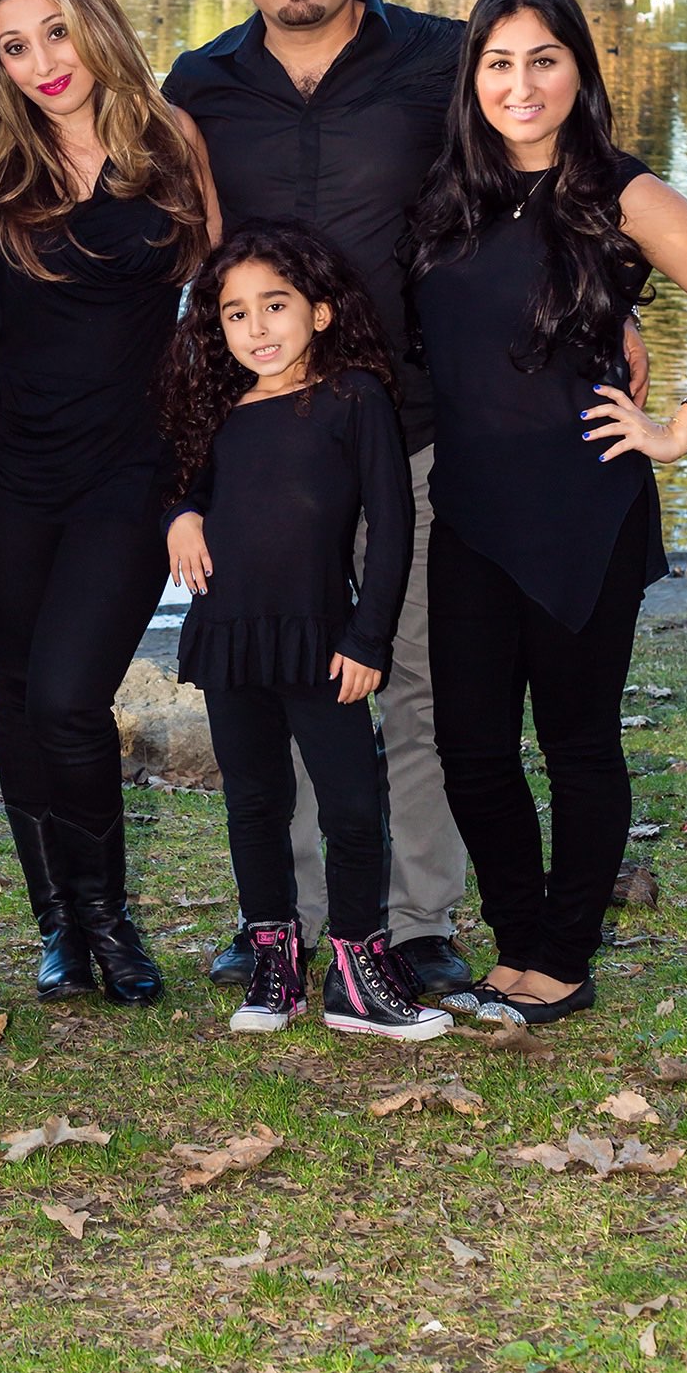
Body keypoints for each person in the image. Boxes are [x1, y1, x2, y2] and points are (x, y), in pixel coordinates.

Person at [164, 0, 649, 995]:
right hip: (267, 450)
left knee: (421, 678)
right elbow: (181, 262)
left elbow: (547, 175)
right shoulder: (201, 85)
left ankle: (415, 919)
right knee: (286, 677)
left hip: (423, 429)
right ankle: (281, 917)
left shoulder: (443, 62)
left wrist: (611, 311)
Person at [406, 0, 687, 1026]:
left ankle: (562, 957)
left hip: (586, 507)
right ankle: (516, 941)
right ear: (472, 76)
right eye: (498, 62)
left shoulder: (625, 193)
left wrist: (678, 431)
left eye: (543, 60)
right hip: (472, 510)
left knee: (578, 742)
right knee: (473, 746)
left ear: (579, 69)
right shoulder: (449, 194)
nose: (520, 84)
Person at [0, 0, 220, 1007]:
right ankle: (59, 927)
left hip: (127, 473)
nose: (42, 63)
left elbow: (222, 311)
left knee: (72, 696)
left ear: (96, 23)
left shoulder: (173, 144)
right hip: (6, 473)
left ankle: (110, 920)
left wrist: (203, 482)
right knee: (23, 701)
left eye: (55, 33)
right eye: (15, 47)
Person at [159, 223, 452, 1042]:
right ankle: (275, 958)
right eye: (235, 313)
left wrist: (368, 639)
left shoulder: (354, 396)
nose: (256, 328)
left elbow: (391, 529)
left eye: (275, 306)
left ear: (321, 313)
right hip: (230, 635)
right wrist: (179, 513)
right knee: (254, 801)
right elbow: (179, 480)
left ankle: (359, 972)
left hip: (323, 636)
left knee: (354, 805)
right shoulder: (219, 408)